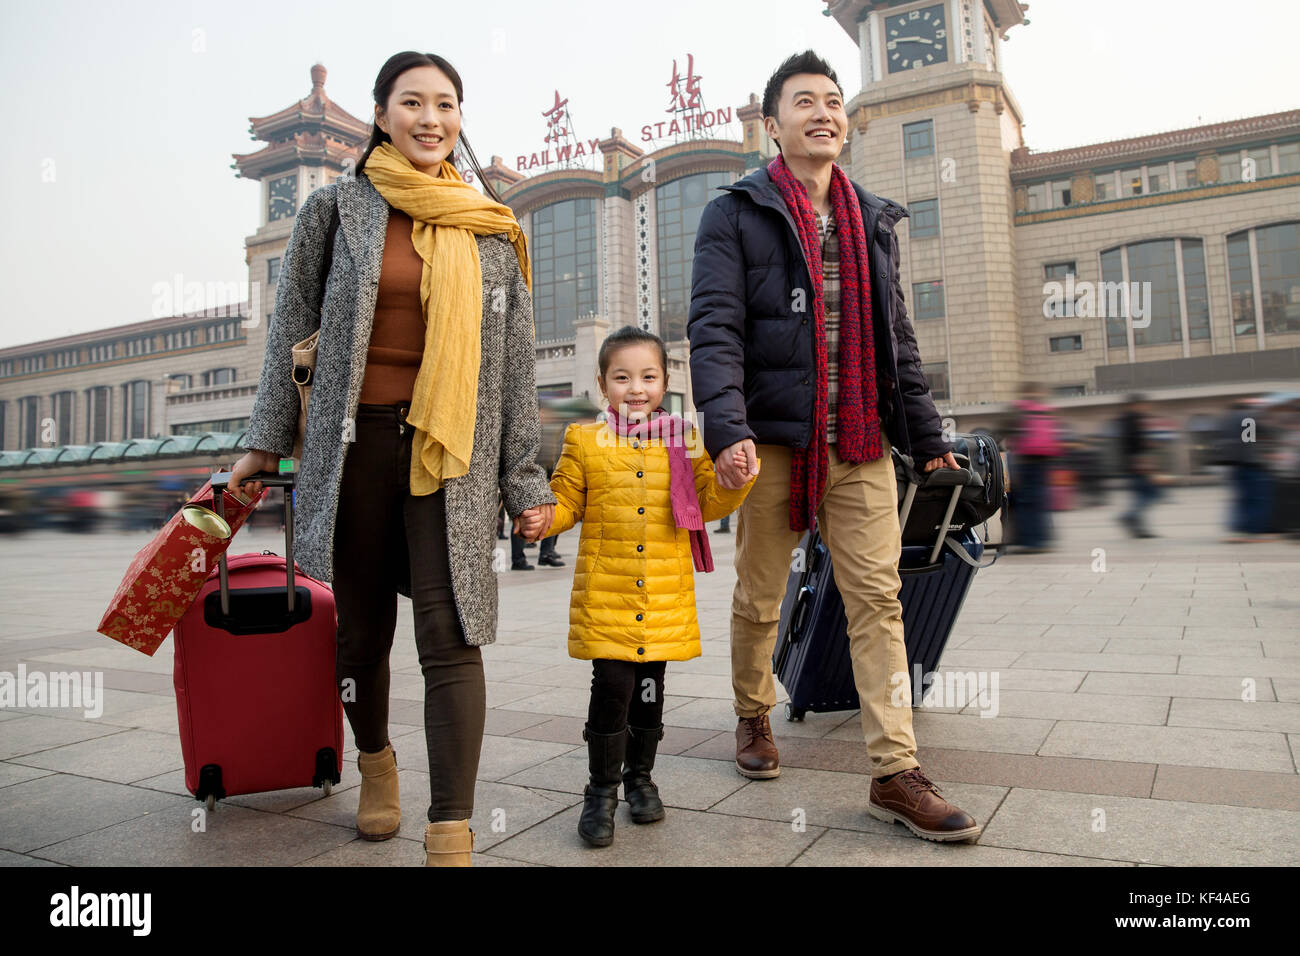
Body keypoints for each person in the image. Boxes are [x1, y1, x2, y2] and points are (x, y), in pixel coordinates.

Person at [229, 51, 555, 866]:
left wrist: (524, 480)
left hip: (454, 454)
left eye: (446, 104)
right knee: (360, 633)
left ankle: (452, 822)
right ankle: (376, 762)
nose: (430, 119)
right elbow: (288, 331)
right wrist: (264, 442)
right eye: (412, 102)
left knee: (451, 633)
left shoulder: (491, 228)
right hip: (352, 446)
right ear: (381, 115)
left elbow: (514, 368)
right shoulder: (335, 213)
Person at [687, 50, 981, 842]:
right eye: (804, 101)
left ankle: (895, 769)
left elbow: (897, 342)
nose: (823, 112)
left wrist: (926, 438)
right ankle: (754, 713)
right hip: (773, 440)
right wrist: (728, 427)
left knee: (877, 598)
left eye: (833, 101)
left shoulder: (872, 218)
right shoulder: (736, 212)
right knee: (757, 597)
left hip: (859, 442)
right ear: (772, 123)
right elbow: (714, 328)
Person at [523, 325, 756, 847]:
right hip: (607, 593)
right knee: (612, 688)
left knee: (650, 691)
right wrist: (544, 517)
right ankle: (601, 790)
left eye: (648, 376)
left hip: (663, 595)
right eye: (622, 377)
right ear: (602, 384)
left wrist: (734, 481)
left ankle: (641, 779)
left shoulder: (683, 439)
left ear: (665, 381)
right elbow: (568, 501)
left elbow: (705, 505)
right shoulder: (583, 438)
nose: (636, 388)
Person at [1006, 382, 1063, 552]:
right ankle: (1042, 537)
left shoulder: (1018, 409)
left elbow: (1002, 430)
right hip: (1045, 460)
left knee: (1025, 500)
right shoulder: (1046, 409)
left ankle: (1030, 541)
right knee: (1041, 499)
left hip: (1024, 461)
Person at [1117, 395, 1159, 538]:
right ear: (1136, 405)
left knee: (1139, 497)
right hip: (1139, 465)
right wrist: (1145, 461)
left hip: (1132, 465)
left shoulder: (1125, 420)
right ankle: (1130, 516)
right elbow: (1137, 443)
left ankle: (1139, 529)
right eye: (1143, 404)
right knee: (1153, 494)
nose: (1146, 407)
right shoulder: (1134, 420)